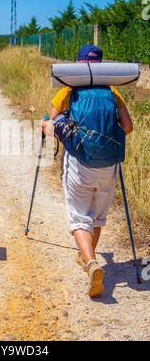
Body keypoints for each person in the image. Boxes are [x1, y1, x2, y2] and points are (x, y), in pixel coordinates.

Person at [44, 45, 133, 298]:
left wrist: (48, 126)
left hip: (79, 164)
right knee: (97, 217)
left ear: (77, 63)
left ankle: (92, 263)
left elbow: (51, 128)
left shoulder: (67, 91)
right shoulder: (112, 91)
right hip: (109, 165)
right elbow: (127, 127)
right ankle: (87, 259)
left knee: (79, 216)